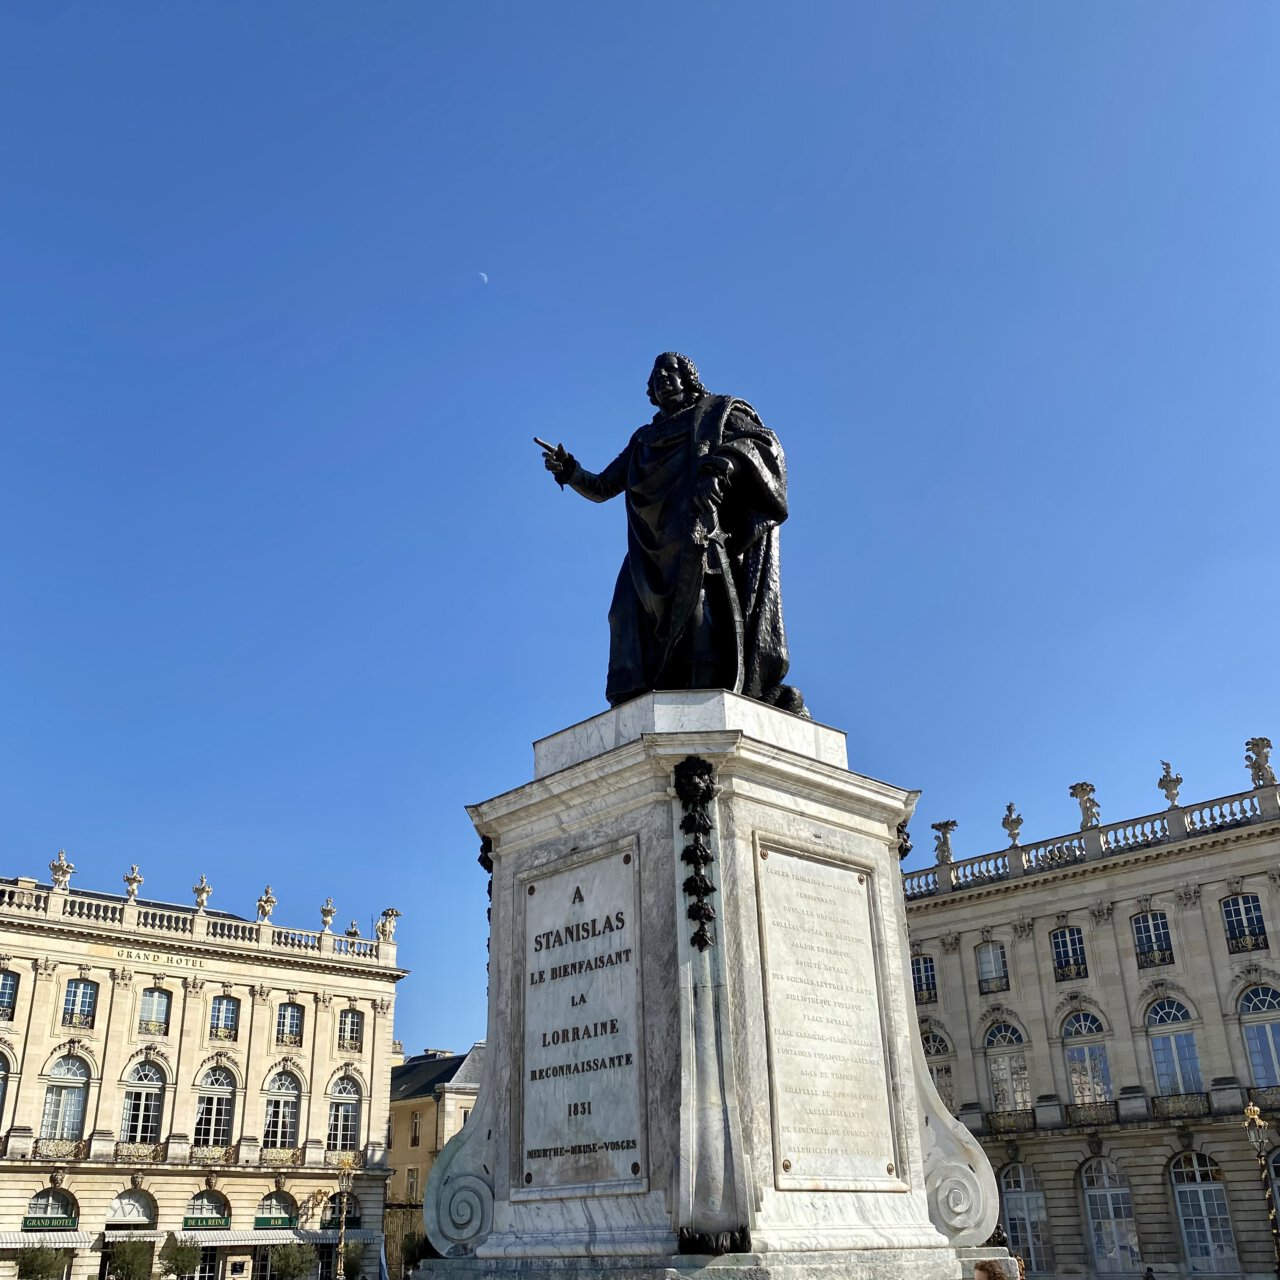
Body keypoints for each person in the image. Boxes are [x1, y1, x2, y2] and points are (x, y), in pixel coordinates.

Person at [542, 353, 805, 714]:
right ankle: (632, 702)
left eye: (671, 371)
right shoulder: (644, 439)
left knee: (700, 615)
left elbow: (763, 445)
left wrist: (722, 465)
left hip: (696, 536)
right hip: (649, 550)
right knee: (622, 613)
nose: (663, 378)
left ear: (688, 379)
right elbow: (603, 486)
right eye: (656, 375)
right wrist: (570, 470)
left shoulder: (718, 413)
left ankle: (704, 694)